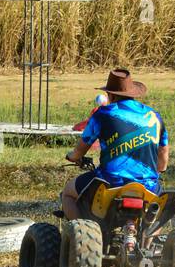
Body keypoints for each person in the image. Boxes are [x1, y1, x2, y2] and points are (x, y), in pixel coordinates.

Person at [61, 69, 168, 220]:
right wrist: (159, 170)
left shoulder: (103, 114)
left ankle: (80, 233)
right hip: (147, 185)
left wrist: (72, 157)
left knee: (68, 193)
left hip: (109, 183)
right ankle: (148, 242)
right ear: (133, 93)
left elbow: (80, 150)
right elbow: (163, 153)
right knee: (156, 213)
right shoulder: (154, 116)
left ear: (110, 95)